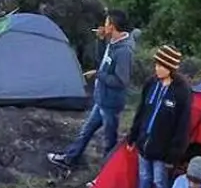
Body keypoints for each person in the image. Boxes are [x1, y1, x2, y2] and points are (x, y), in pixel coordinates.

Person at [48, 10, 135, 167]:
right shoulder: (112, 42)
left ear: (113, 26)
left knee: (109, 141)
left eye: (107, 23)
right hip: (101, 98)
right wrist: (101, 41)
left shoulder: (124, 51)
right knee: (85, 131)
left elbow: (121, 81)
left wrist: (98, 74)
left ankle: (106, 175)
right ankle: (70, 159)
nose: (104, 25)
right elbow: (101, 60)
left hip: (111, 104)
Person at [127, 45, 193, 188]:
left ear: (170, 68)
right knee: (144, 178)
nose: (157, 68)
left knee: (160, 183)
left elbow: (182, 126)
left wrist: (173, 155)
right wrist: (132, 136)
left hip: (162, 150)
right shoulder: (151, 83)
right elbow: (141, 111)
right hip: (144, 143)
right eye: (156, 64)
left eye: (161, 65)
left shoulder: (182, 91)